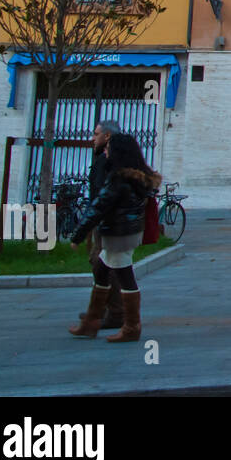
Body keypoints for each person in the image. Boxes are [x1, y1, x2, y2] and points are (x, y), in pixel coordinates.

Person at [68, 133, 161, 342]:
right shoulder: (139, 177)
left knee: (126, 277)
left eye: (109, 148)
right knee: (101, 271)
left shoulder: (119, 179)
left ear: (118, 152)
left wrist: (78, 235)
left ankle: (131, 327)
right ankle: (91, 322)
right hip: (130, 232)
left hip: (118, 234)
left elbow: (98, 208)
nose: (105, 151)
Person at [77, 120, 124, 329]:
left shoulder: (113, 160)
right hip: (102, 219)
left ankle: (114, 312)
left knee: (105, 264)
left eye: (96, 134)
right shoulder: (103, 157)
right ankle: (104, 310)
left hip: (109, 221)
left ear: (107, 137)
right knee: (101, 263)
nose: (92, 138)